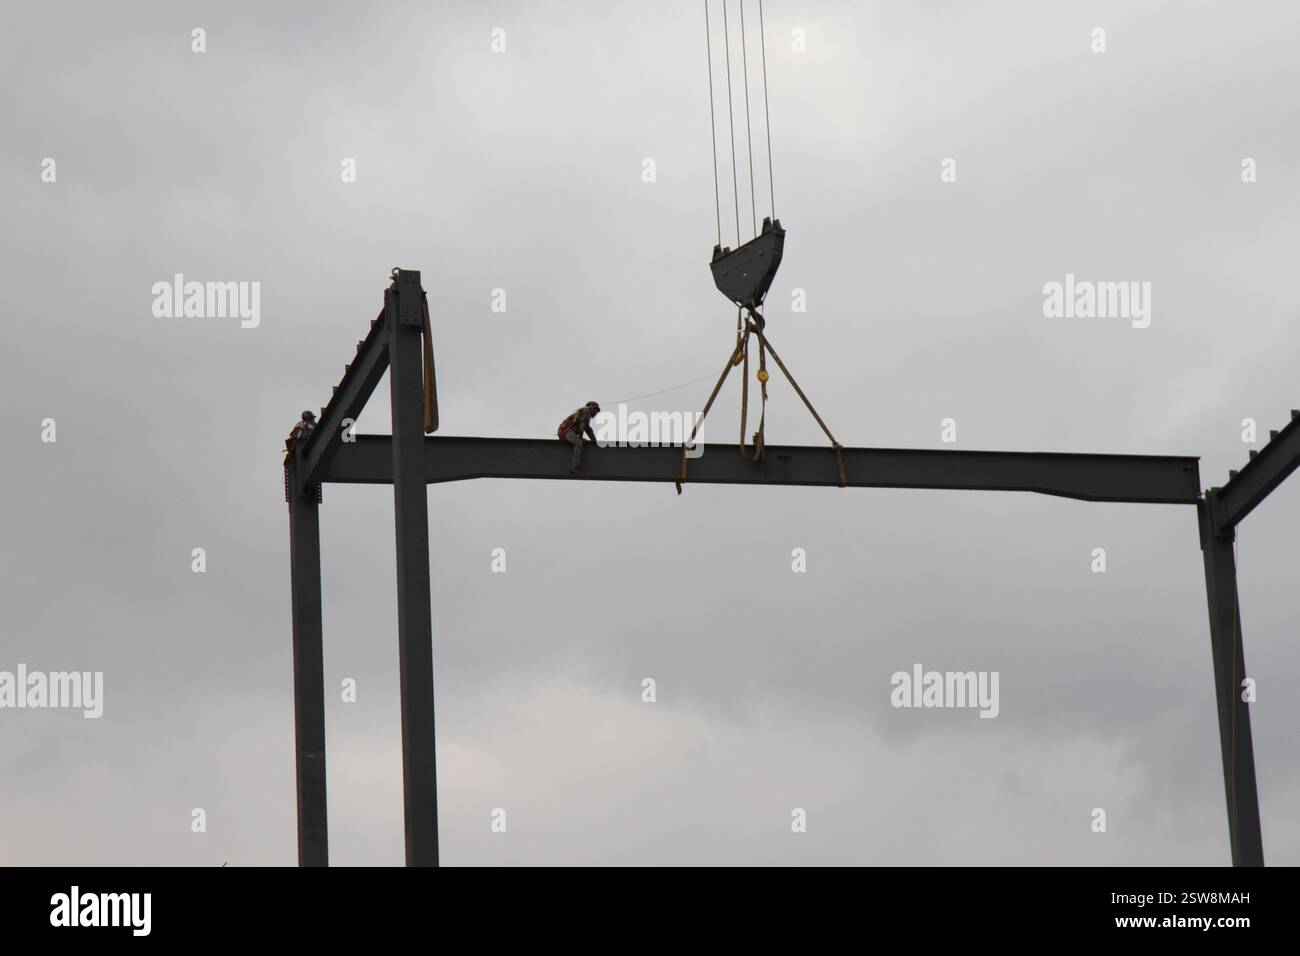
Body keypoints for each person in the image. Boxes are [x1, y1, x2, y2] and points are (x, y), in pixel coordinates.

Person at [557, 401, 600, 475]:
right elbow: (582, 426)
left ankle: (575, 466)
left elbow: (588, 429)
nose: (596, 413)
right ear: (592, 408)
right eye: (596, 410)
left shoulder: (585, 414)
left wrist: (594, 442)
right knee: (579, 444)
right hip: (566, 431)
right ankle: (574, 467)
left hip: (568, 431)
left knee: (587, 430)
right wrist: (580, 438)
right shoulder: (585, 411)